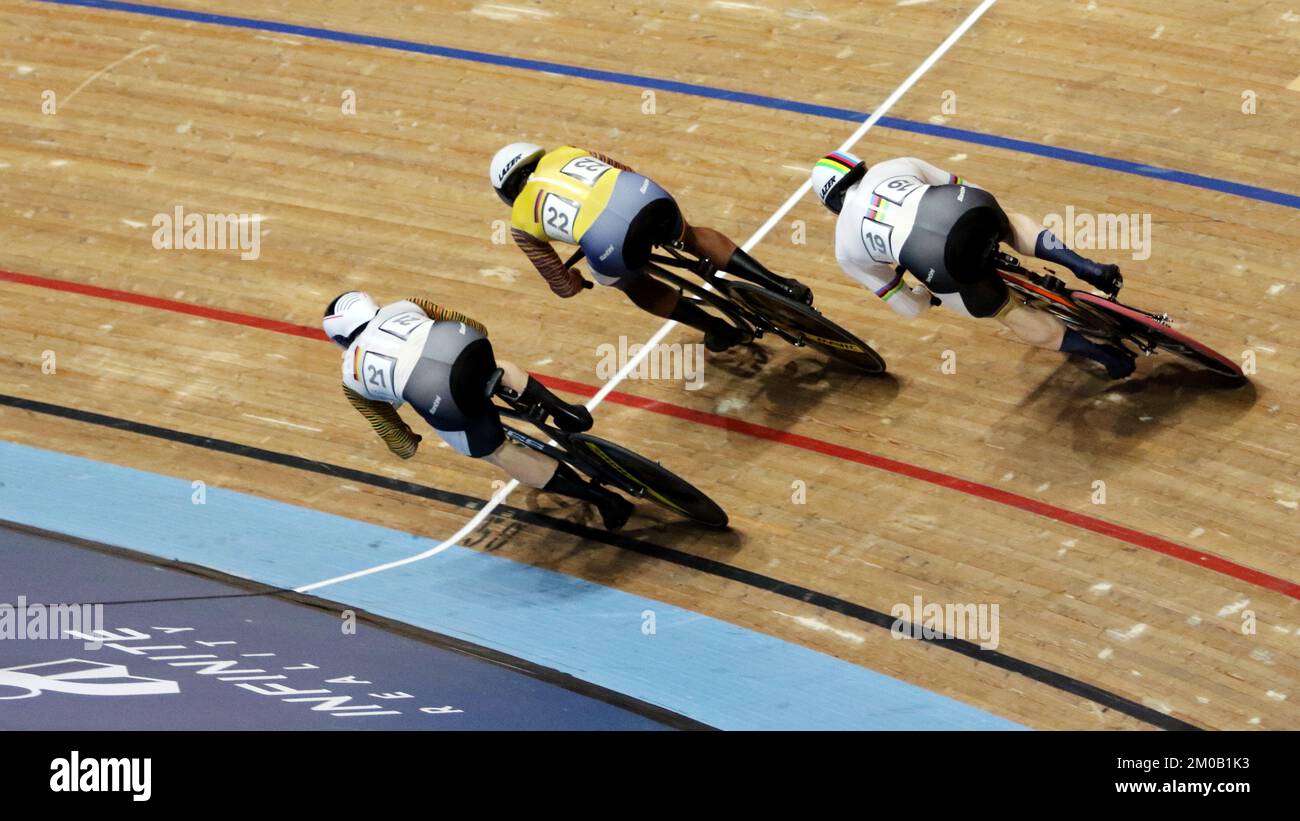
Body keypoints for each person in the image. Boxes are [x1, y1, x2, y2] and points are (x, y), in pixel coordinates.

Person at [323, 291, 634, 530]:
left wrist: (410, 438)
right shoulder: (406, 304)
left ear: (340, 338)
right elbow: (477, 327)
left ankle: (606, 501)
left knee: (495, 450)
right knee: (495, 367)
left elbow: (401, 444)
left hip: (442, 397)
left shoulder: (351, 380)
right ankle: (564, 410)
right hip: (470, 350)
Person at [810, 151, 1136, 378]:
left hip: (938, 261)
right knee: (1009, 222)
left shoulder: (845, 248)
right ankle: (1085, 266)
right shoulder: (892, 166)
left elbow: (910, 309)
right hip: (965, 209)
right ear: (860, 168)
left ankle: (1107, 357)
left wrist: (925, 294)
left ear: (831, 205)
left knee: (1007, 312)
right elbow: (973, 188)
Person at [489, 142, 812, 352]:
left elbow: (561, 286)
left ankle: (718, 329)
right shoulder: (567, 151)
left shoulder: (521, 222)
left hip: (610, 243)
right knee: (692, 235)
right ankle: (781, 285)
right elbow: (624, 170)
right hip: (645, 196)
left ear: (507, 194)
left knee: (630, 283)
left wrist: (575, 279)